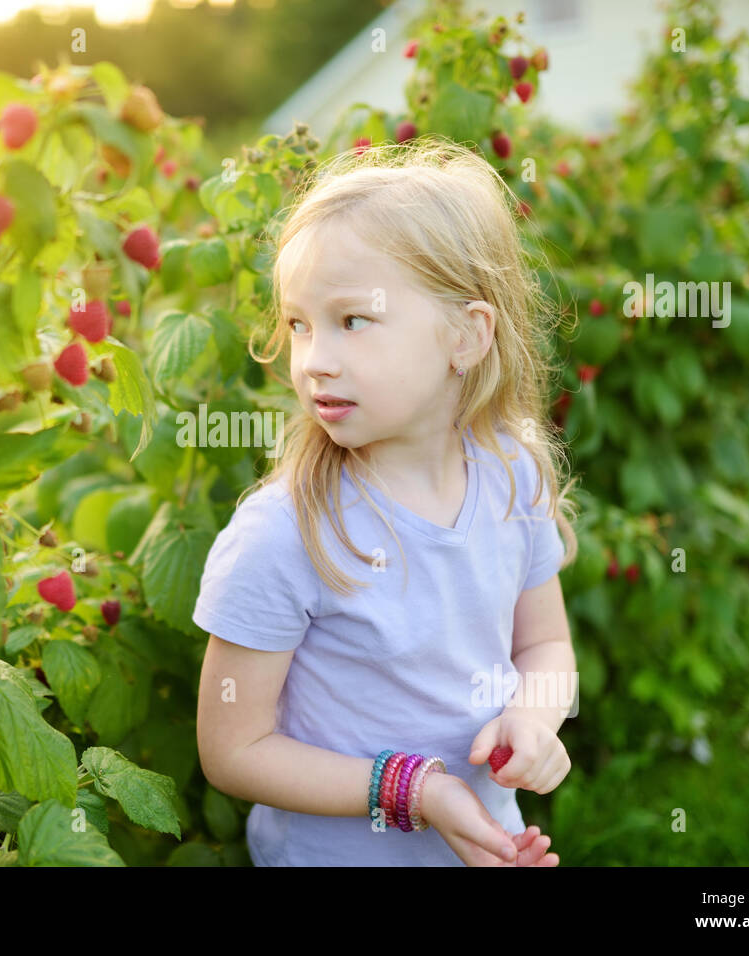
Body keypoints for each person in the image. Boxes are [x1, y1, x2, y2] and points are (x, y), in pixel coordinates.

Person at [193, 138, 581, 866]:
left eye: (352, 320)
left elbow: (545, 646)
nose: (314, 360)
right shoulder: (284, 533)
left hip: (479, 843)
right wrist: (413, 789)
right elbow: (233, 748)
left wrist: (535, 716)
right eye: (299, 324)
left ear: (466, 335)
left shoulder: (513, 478)